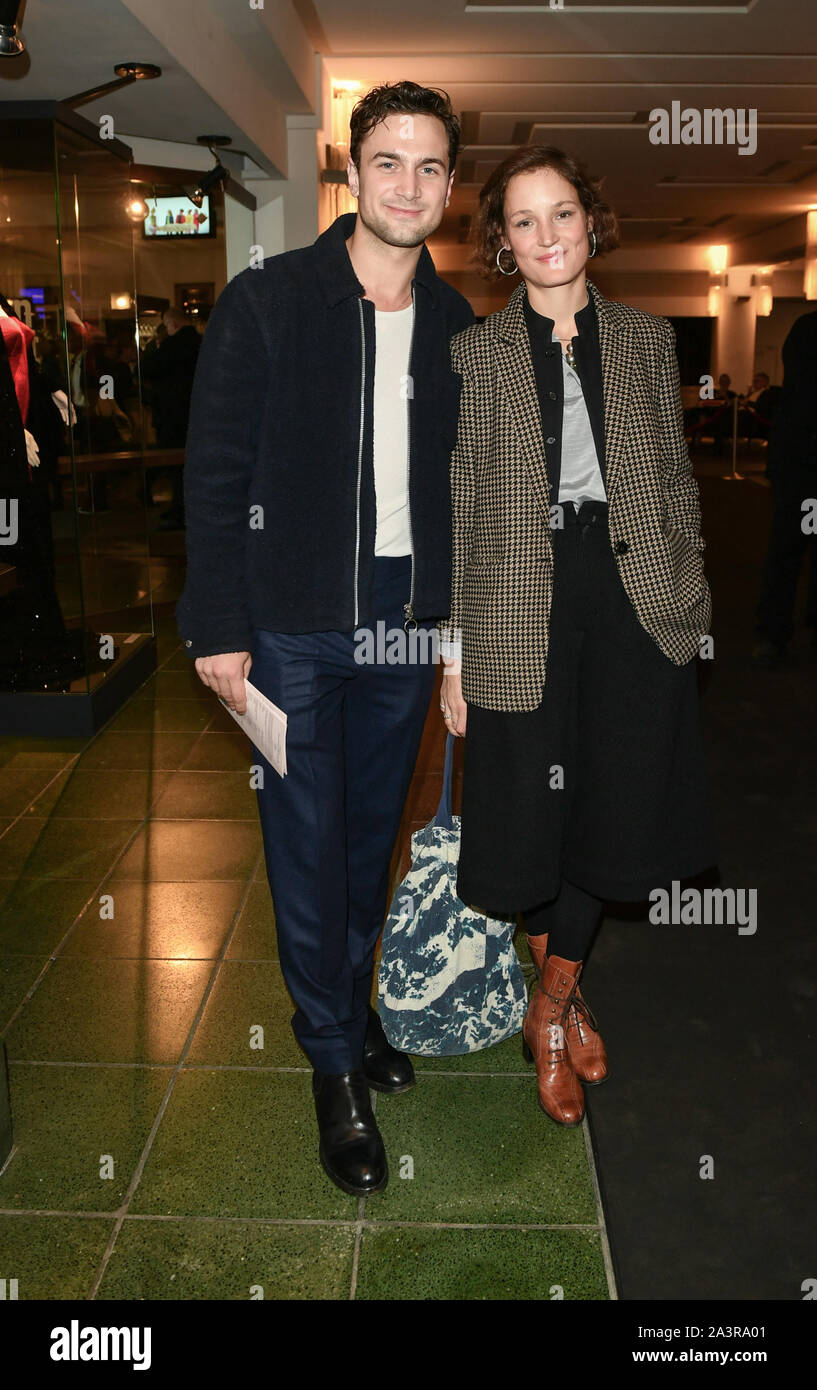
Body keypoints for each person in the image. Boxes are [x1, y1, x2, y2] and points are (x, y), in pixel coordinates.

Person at [176, 80, 473, 1196]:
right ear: (353, 174)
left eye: (430, 166)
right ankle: (332, 1068)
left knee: (365, 846)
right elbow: (214, 474)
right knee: (307, 852)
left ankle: (348, 1017)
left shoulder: (454, 328)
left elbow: (463, 497)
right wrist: (217, 625)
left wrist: (449, 642)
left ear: (450, 184)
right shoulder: (271, 301)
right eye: (387, 161)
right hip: (290, 631)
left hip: (400, 628)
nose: (408, 183)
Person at [438, 145, 719, 1127]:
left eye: (563, 214)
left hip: (634, 598)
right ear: (502, 243)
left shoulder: (645, 339)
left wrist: (690, 590)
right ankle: (560, 996)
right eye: (524, 220)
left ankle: (548, 1005)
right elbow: (463, 505)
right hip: (523, 604)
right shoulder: (472, 352)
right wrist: (453, 649)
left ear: (591, 224)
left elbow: (676, 477)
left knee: (617, 803)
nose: (547, 235)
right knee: (530, 816)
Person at [753, 311, 817, 665]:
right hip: (801, 464)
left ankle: (775, 634)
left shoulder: (804, 327)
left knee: (786, 552)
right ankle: (773, 633)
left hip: (796, 463)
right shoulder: (807, 329)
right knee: (787, 550)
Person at [141, 306, 201, 528]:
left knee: (175, 464)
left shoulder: (172, 346)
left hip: (172, 414)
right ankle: (182, 508)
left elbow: (148, 368)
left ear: (172, 324)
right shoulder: (202, 342)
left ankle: (179, 511)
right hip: (196, 414)